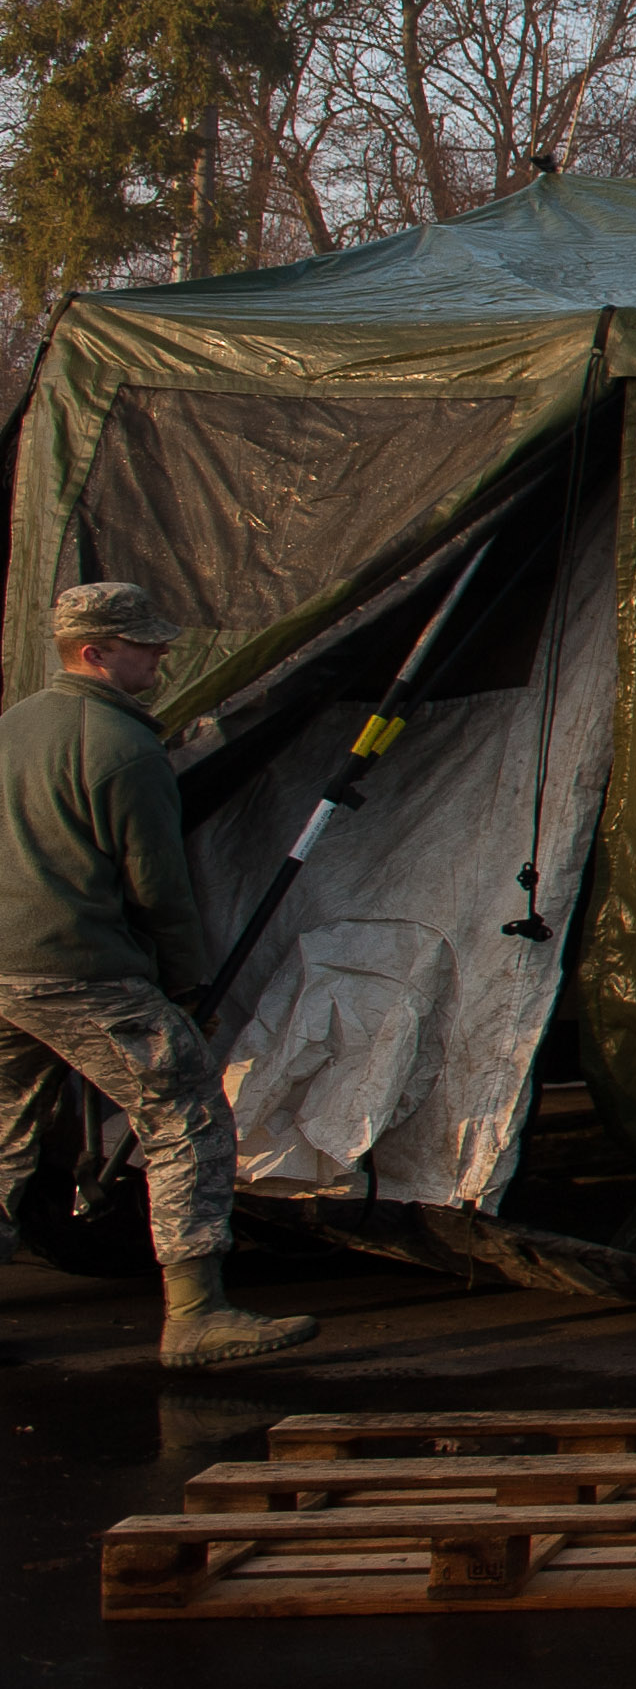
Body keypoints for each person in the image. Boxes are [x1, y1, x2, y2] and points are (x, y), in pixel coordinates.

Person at [0, 583, 312, 1368]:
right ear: (95, 652)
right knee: (187, 1114)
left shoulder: (14, 726)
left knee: (1, 1133)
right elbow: (159, 886)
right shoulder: (121, 745)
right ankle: (197, 1313)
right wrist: (187, 987)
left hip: (4, 972)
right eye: (144, 644)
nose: (162, 654)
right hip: (80, 969)